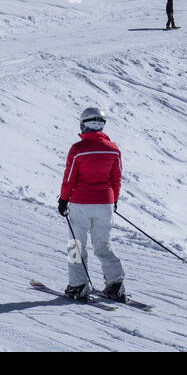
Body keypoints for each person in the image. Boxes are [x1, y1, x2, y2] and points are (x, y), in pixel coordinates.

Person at [57, 106, 125, 302]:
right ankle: (115, 284)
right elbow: (116, 179)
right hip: (105, 203)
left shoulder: (78, 150)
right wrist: (114, 200)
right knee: (103, 244)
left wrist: (63, 200)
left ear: (84, 124)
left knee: (75, 245)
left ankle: (78, 286)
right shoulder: (113, 150)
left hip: (81, 203)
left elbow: (69, 178)